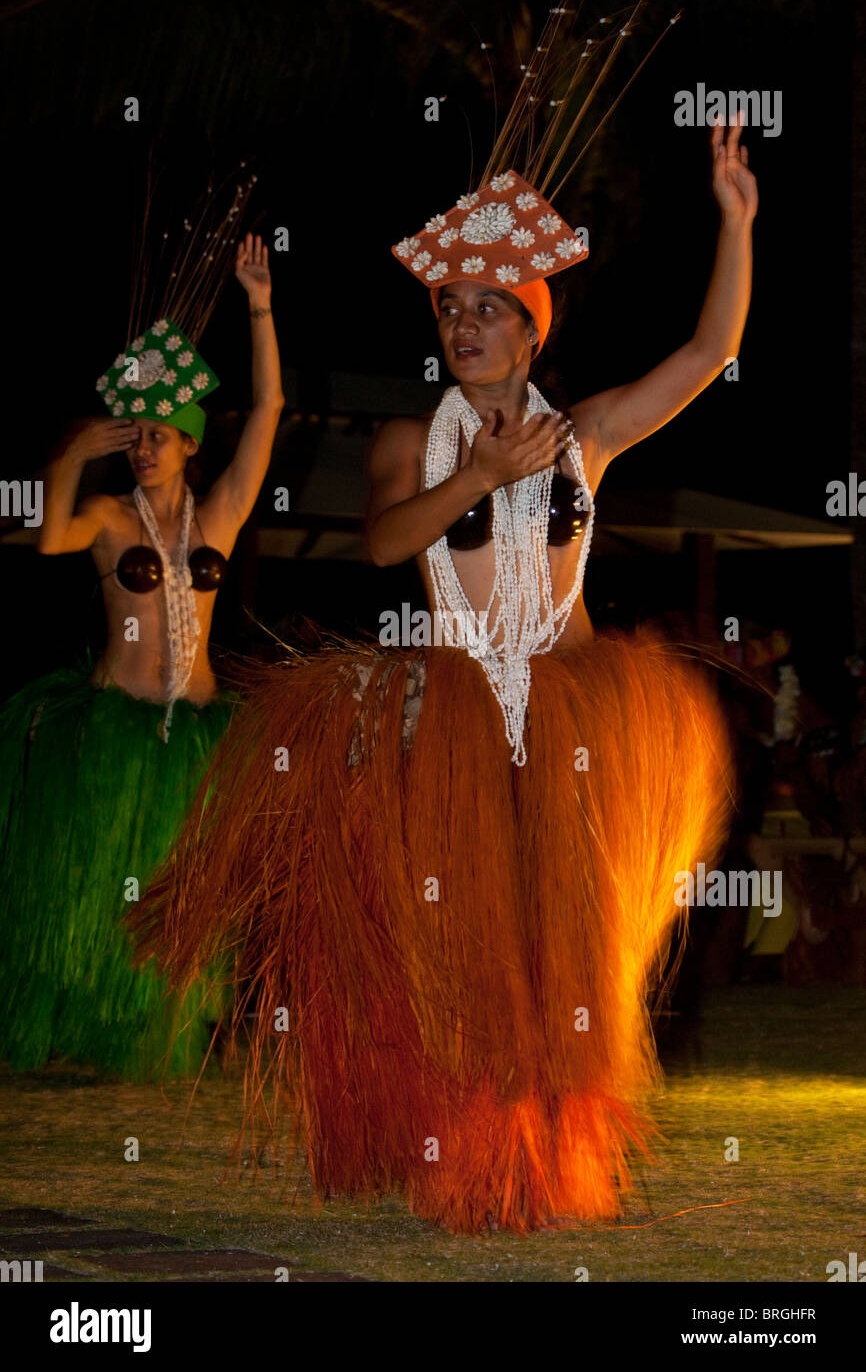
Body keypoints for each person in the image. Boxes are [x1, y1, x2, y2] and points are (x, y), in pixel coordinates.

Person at [131, 112, 753, 1232]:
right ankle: (451, 1144)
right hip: (454, 721)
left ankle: (543, 1154)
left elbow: (707, 354)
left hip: (566, 717)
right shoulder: (404, 442)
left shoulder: (584, 437)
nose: (463, 327)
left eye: (486, 312)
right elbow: (381, 543)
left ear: (529, 331)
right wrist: (470, 475)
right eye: (450, 311)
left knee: (554, 954)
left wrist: (733, 223)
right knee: (459, 947)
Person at [0, 233, 284, 1080]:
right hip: (115, 726)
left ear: (193, 441)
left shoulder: (221, 516)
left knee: (175, 890)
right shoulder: (110, 519)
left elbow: (268, 410)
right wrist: (71, 458)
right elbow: (51, 539)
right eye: (136, 436)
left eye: (162, 434)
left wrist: (259, 306)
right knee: (96, 887)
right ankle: (77, 1032)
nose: (146, 447)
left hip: (195, 731)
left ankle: (152, 1032)